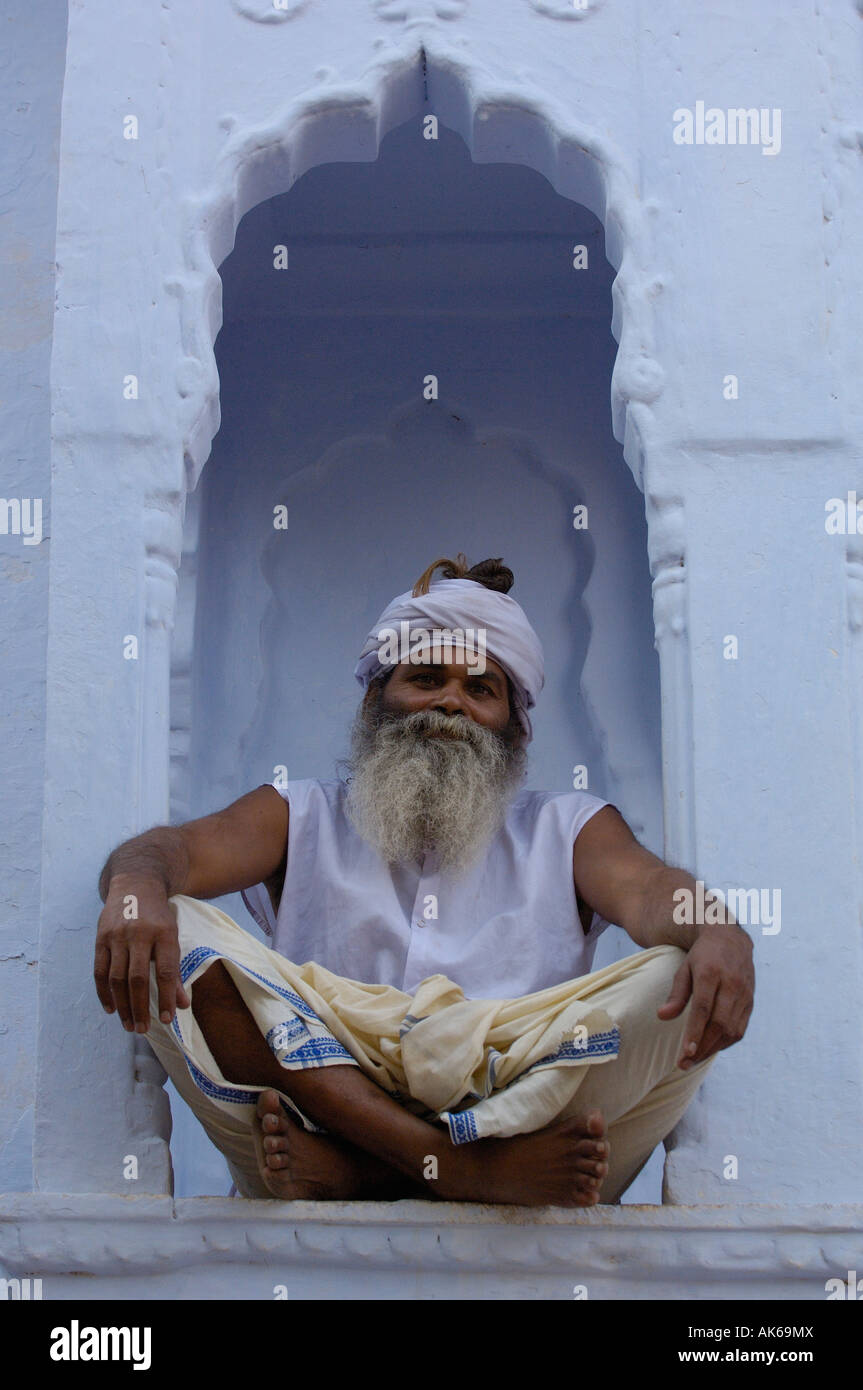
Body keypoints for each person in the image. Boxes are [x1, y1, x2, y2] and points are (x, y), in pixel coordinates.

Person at [94, 554, 754, 1206]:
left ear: (514, 725)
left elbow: (646, 891)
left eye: (479, 689)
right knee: (170, 926)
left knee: (678, 968)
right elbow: (171, 852)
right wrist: (138, 888)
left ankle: (369, 1171)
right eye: (426, 678)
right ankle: (456, 1170)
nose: (449, 703)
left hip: (528, 1114)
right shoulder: (300, 814)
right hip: (317, 1104)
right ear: (376, 698)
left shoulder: (567, 826)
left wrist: (717, 930)